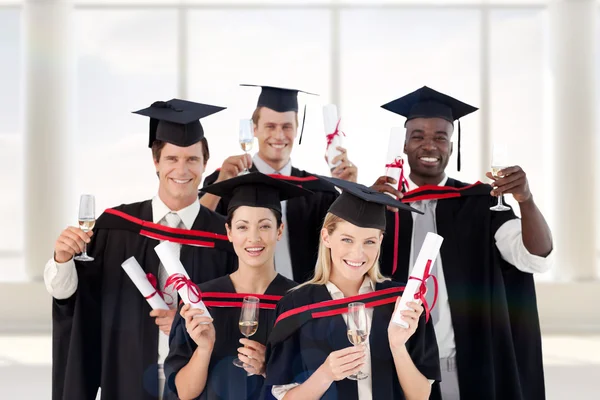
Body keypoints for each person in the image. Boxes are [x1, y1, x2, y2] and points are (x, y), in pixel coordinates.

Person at [45, 99, 238, 400]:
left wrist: (187, 322)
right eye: (172, 159)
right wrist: (62, 260)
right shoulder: (115, 227)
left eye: (192, 159)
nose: (182, 169)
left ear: (204, 164)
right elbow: (74, 300)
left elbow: (242, 312)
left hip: (201, 384)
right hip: (128, 378)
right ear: (156, 162)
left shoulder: (227, 237)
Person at [373, 86, 554, 400]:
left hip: (462, 364)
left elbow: (535, 258)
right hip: (394, 363)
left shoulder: (481, 203)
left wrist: (526, 200)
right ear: (403, 144)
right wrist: (367, 208)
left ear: (452, 146)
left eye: (441, 136)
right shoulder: (379, 205)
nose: (429, 144)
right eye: (417, 135)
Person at [265, 177, 440, 400]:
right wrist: (326, 374)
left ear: (380, 241)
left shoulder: (401, 302)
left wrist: (397, 345)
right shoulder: (295, 304)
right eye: (347, 240)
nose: (358, 254)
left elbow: (420, 396)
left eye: (369, 242)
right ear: (326, 237)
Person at [163, 172, 307, 400]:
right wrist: (204, 348)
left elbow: (316, 386)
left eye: (265, 226)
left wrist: (269, 369)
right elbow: (183, 392)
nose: (254, 238)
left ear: (279, 230)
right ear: (229, 232)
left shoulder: (301, 302)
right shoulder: (201, 301)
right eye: (242, 227)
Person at [200, 85, 357, 283]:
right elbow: (198, 232)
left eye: (286, 127)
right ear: (254, 129)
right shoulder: (227, 182)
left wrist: (350, 191)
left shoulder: (318, 190)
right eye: (270, 126)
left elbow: (345, 244)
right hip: (242, 303)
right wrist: (220, 183)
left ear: (297, 129)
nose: (279, 135)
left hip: (303, 303)